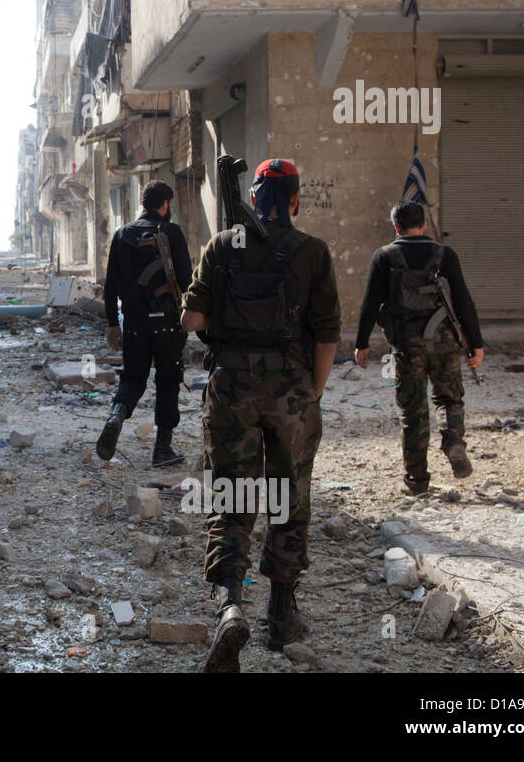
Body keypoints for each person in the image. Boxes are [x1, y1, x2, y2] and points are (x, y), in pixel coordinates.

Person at [181, 159, 340, 672]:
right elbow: (328, 333)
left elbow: (192, 319)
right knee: (290, 494)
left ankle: (230, 607)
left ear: (253, 196)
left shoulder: (220, 246)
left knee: (232, 495)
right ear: (294, 201)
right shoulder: (312, 252)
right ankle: (281, 614)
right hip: (292, 389)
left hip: (231, 388)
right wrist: (309, 392)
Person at [354, 201, 484, 494]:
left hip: (407, 346)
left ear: (396, 227)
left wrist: (362, 343)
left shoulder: (384, 256)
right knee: (449, 399)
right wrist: (475, 344)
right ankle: (452, 441)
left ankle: (417, 481)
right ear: (423, 225)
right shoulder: (444, 255)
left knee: (413, 411)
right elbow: (464, 301)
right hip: (445, 343)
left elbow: (370, 303)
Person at [97, 181, 194, 467]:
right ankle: (162, 449)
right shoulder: (172, 232)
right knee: (168, 381)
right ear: (164, 204)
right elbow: (187, 278)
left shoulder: (122, 234)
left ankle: (116, 414)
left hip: (135, 324)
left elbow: (111, 284)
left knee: (133, 378)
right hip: (168, 324)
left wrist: (113, 324)